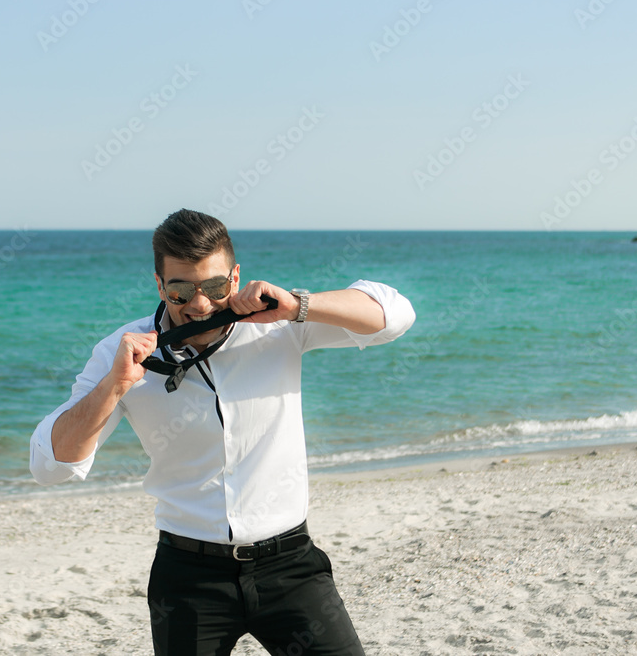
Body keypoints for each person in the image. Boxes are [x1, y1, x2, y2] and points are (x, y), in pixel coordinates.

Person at [31, 209, 415, 655]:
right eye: (180, 290)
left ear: (235, 278)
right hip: (189, 578)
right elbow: (49, 466)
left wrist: (297, 307)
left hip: (291, 567)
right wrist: (112, 387)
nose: (199, 305)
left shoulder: (279, 327)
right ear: (159, 285)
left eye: (214, 288)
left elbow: (395, 315)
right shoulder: (121, 353)